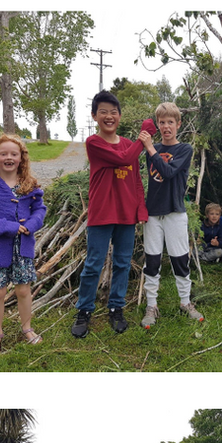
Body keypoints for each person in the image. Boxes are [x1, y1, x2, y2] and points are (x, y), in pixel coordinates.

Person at [71, 91, 149, 338]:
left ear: (120, 116)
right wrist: (144, 138)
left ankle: (116, 307)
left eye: (113, 112)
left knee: (122, 264)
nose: (109, 116)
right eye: (103, 111)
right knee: (93, 264)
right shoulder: (94, 143)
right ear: (94, 116)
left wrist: (141, 208)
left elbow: (136, 178)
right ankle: (84, 311)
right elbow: (124, 158)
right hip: (101, 213)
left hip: (126, 214)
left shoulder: (128, 144)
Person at [0, 135, 47, 356]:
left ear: (21, 158)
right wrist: (8, 226)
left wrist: (32, 224)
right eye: (4, 153)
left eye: (14, 153)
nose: (9, 157)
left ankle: (27, 329)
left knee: (23, 290)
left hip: (23, 249)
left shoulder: (28, 184)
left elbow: (40, 210)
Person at [139, 102, 201, 329]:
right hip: (153, 213)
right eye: (162, 122)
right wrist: (149, 148)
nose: (166, 127)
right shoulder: (151, 149)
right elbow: (150, 178)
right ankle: (151, 305)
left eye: (170, 122)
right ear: (157, 124)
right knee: (152, 260)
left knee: (180, 259)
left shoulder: (184, 150)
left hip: (175, 212)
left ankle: (185, 302)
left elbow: (166, 172)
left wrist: (151, 149)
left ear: (178, 124)